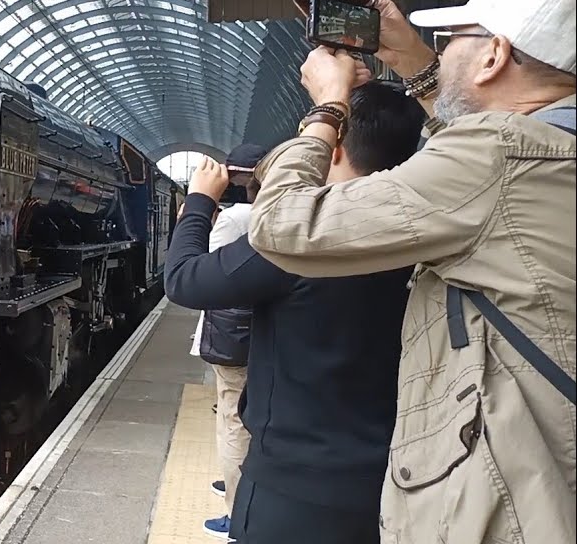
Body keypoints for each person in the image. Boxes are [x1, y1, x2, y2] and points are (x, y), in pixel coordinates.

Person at [247, 0, 575, 543]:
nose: (441, 55)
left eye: (450, 42)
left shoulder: (496, 157)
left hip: (508, 499)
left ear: (494, 55)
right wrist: (417, 64)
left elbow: (280, 224)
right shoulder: (548, 154)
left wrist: (328, 109)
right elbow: (480, 157)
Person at [168, 82, 426, 544]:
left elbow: (185, 279)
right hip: (392, 482)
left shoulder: (303, 239)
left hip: (292, 491)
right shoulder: (425, 228)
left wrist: (200, 201)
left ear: (333, 147)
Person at [190, 143, 268, 540]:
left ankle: (236, 513)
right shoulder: (277, 213)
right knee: (251, 414)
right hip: (261, 332)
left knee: (232, 419)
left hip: (232, 333)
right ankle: (242, 486)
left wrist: (197, 212)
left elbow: (204, 274)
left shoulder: (235, 217)